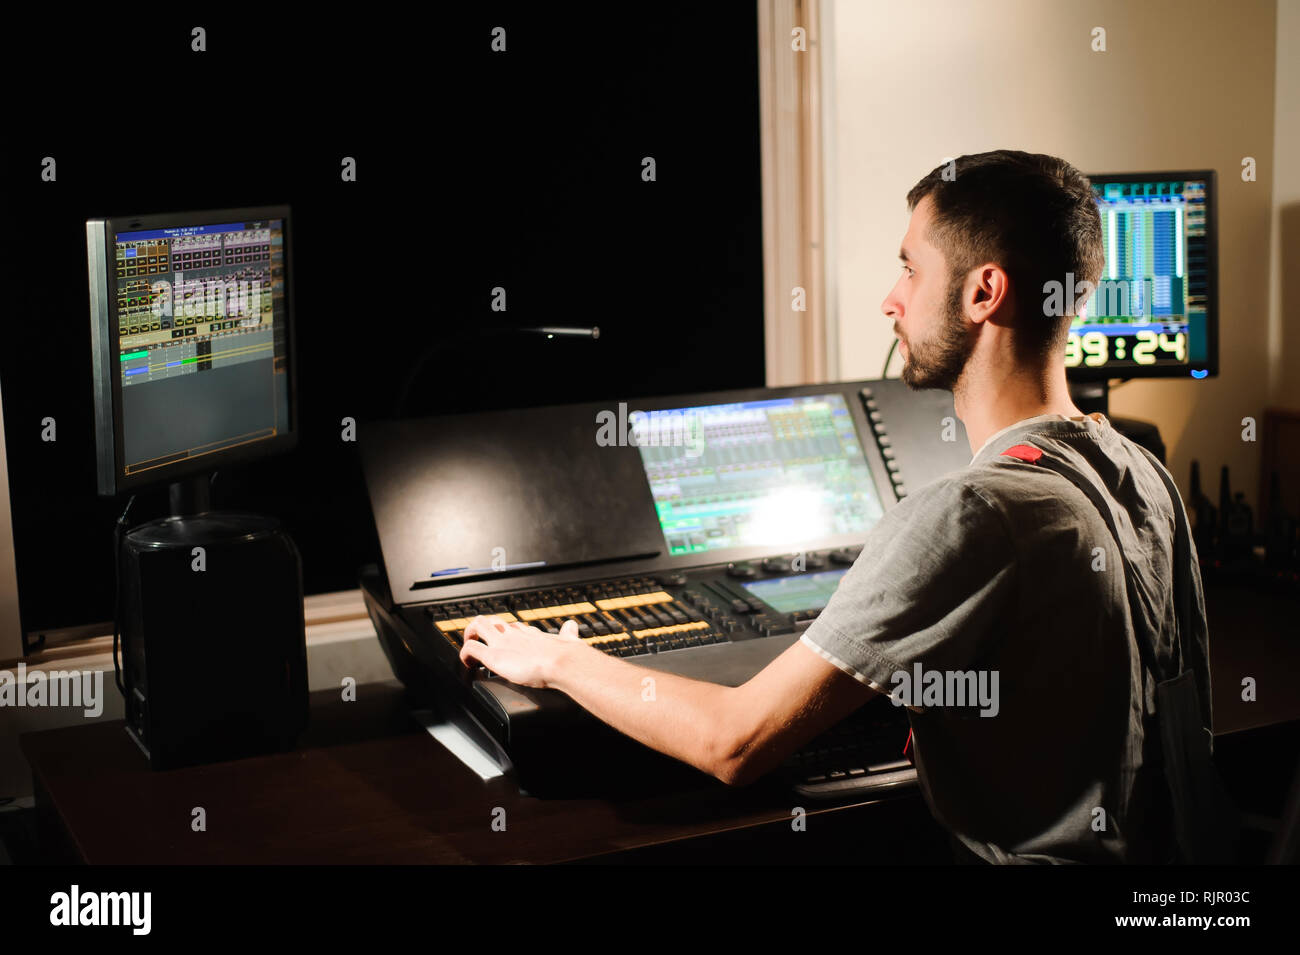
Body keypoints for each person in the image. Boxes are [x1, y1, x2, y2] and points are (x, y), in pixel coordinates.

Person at [461, 149, 1211, 864]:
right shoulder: (1143, 472)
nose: (892, 300)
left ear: (984, 292)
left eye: (910, 269)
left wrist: (561, 660)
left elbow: (732, 742)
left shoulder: (972, 512)